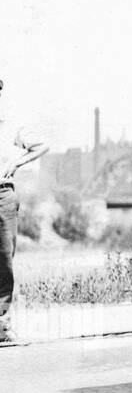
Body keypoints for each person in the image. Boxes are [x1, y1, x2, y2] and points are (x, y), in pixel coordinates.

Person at [0, 78, 50, 343]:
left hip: (2, 195)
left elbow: (43, 145)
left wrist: (18, 161)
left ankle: (2, 327)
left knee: (4, 261)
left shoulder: (12, 126)